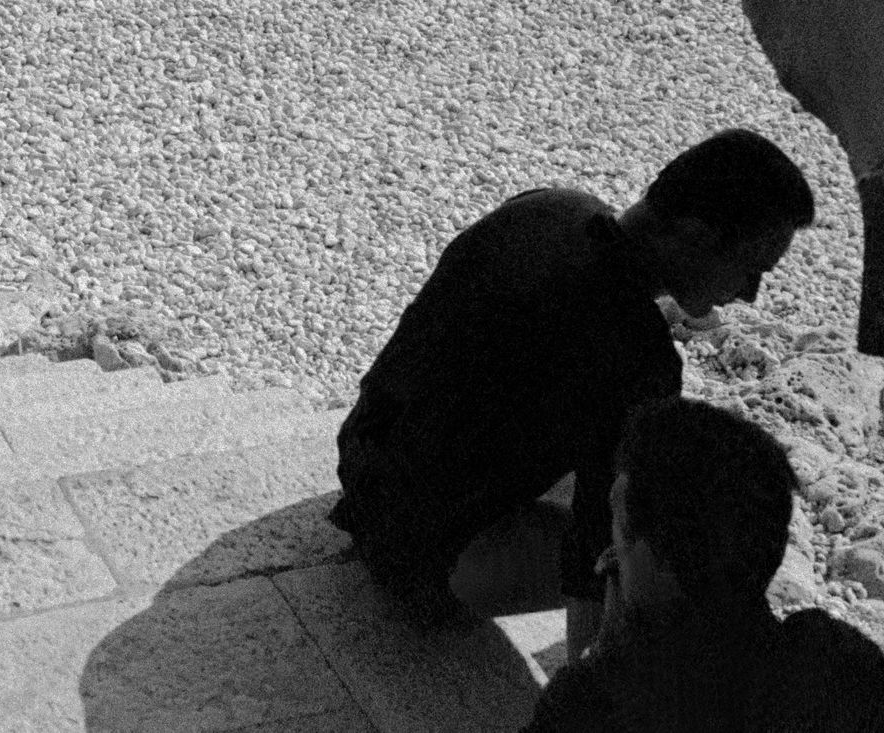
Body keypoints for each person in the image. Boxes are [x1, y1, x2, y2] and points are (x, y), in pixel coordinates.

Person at [329, 129, 814, 657]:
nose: (750, 293)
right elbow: (598, 552)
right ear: (695, 236)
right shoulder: (637, 357)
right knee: (669, 542)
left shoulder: (551, 208)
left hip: (362, 461)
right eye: (751, 268)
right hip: (416, 556)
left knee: (609, 444)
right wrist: (589, 690)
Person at [523, 397, 884, 732]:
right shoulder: (839, 670)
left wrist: (608, 658)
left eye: (620, 533)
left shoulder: (589, 708)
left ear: (657, 560)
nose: (609, 556)